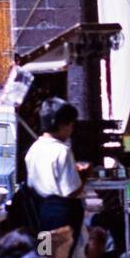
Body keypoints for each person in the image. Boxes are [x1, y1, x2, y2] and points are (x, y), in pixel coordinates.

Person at [25, 97, 89, 245]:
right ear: (61, 125)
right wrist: (84, 175)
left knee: (45, 256)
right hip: (62, 217)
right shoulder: (62, 151)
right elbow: (71, 191)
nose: (72, 129)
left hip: (39, 215)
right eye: (70, 125)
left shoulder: (34, 148)